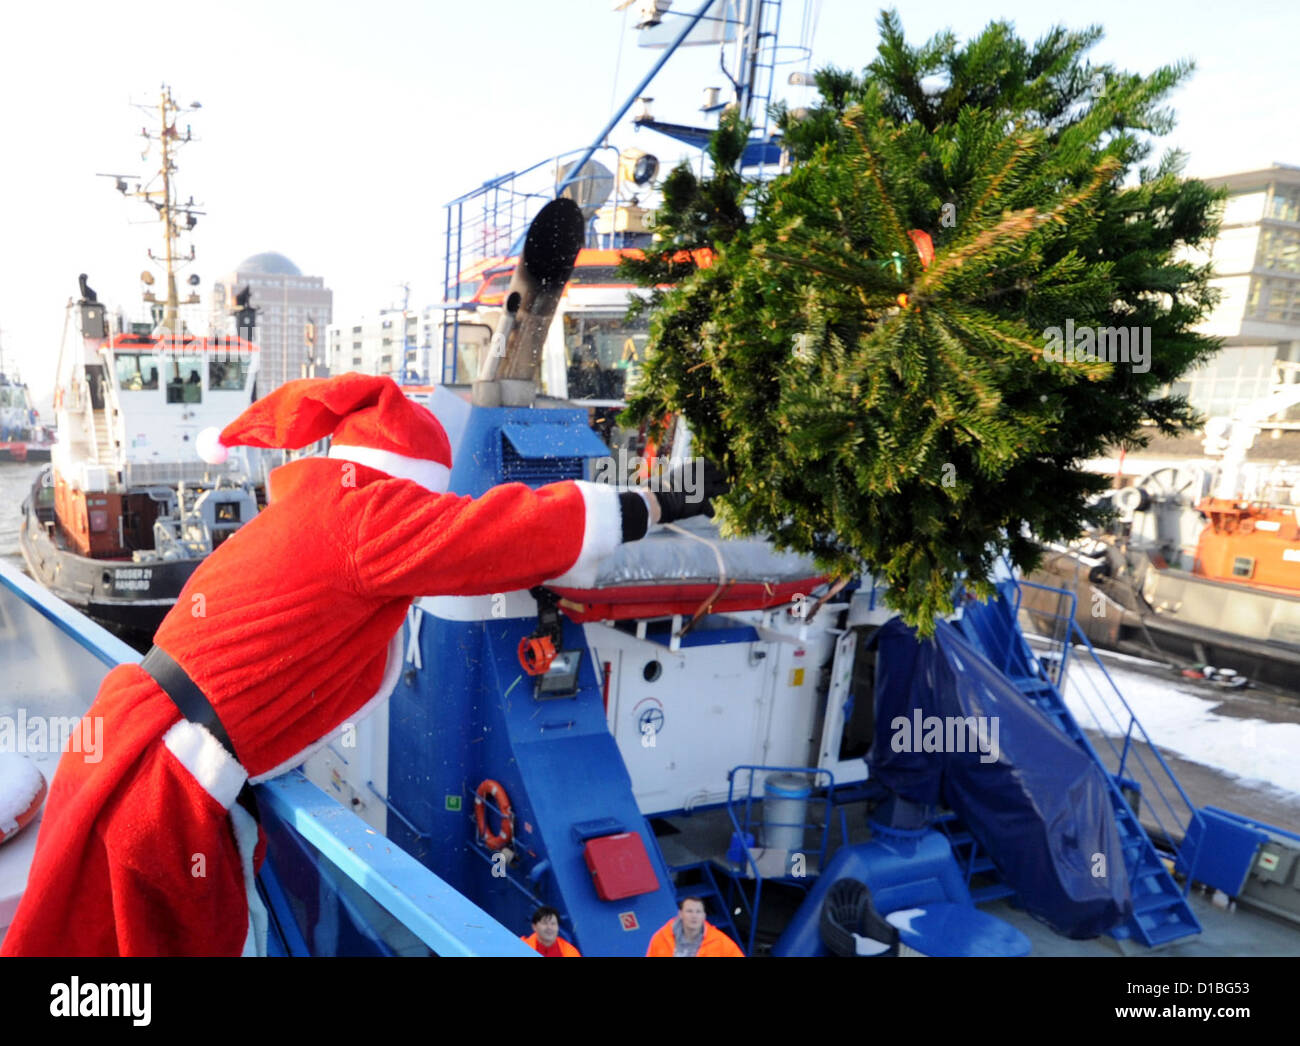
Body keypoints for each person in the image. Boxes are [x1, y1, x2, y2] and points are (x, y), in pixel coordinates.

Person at [1, 373, 726, 957]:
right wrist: (656, 501)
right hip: (162, 791)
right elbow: (505, 535)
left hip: (125, 739)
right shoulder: (366, 519)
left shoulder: (295, 515)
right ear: (404, 480)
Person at [645, 897, 744, 957]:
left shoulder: (720, 942)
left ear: (704, 916)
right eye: (689, 911)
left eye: (698, 912)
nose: (694, 916)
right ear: (680, 914)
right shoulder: (661, 938)